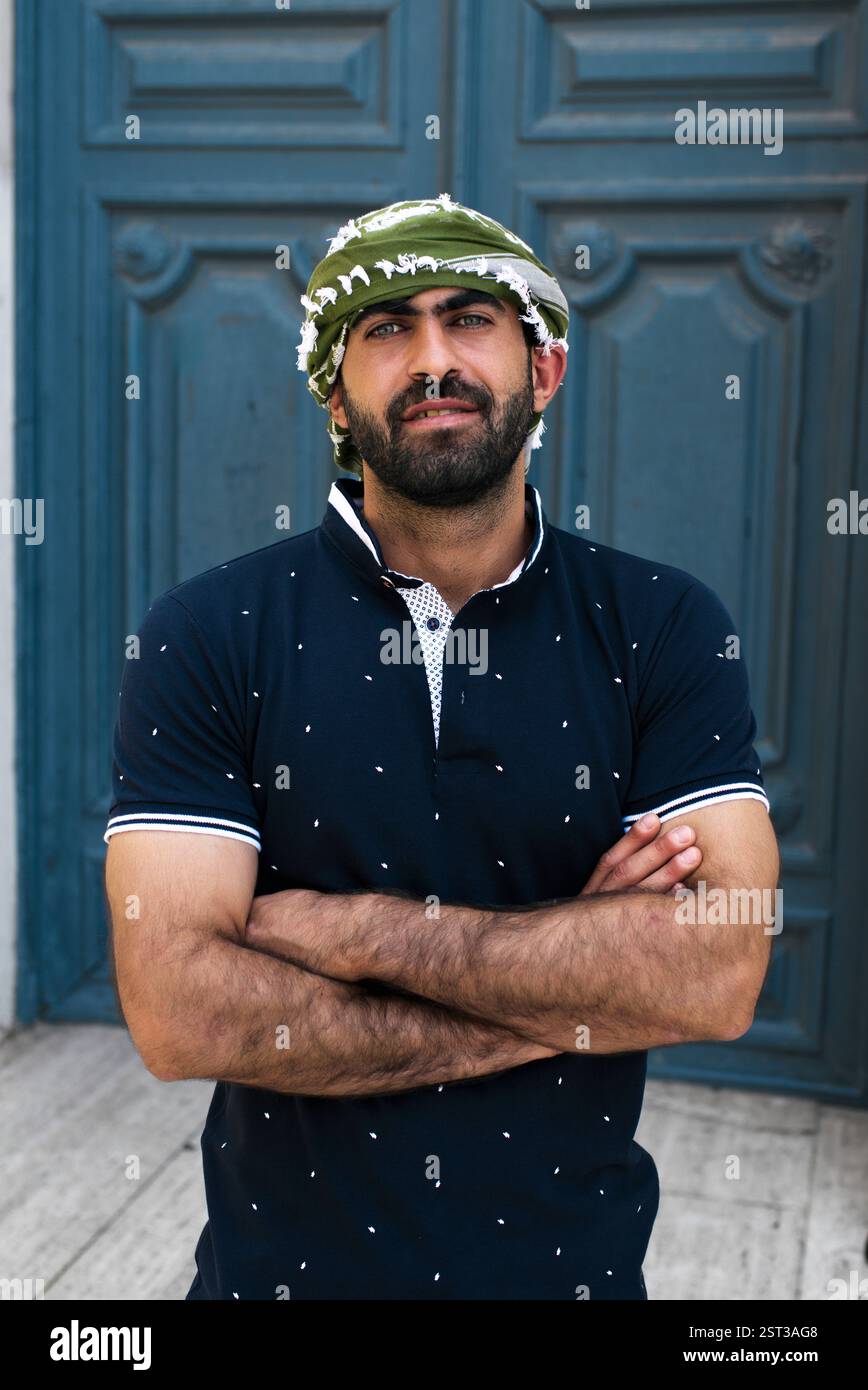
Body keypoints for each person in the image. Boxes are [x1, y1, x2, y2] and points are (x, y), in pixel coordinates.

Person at [103, 195, 779, 1301]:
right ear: (334, 389)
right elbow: (180, 1014)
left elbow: (716, 969)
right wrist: (580, 976)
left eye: (468, 319)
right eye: (385, 329)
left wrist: (351, 930)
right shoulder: (210, 632)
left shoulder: (663, 624)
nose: (431, 359)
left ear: (543, 369)